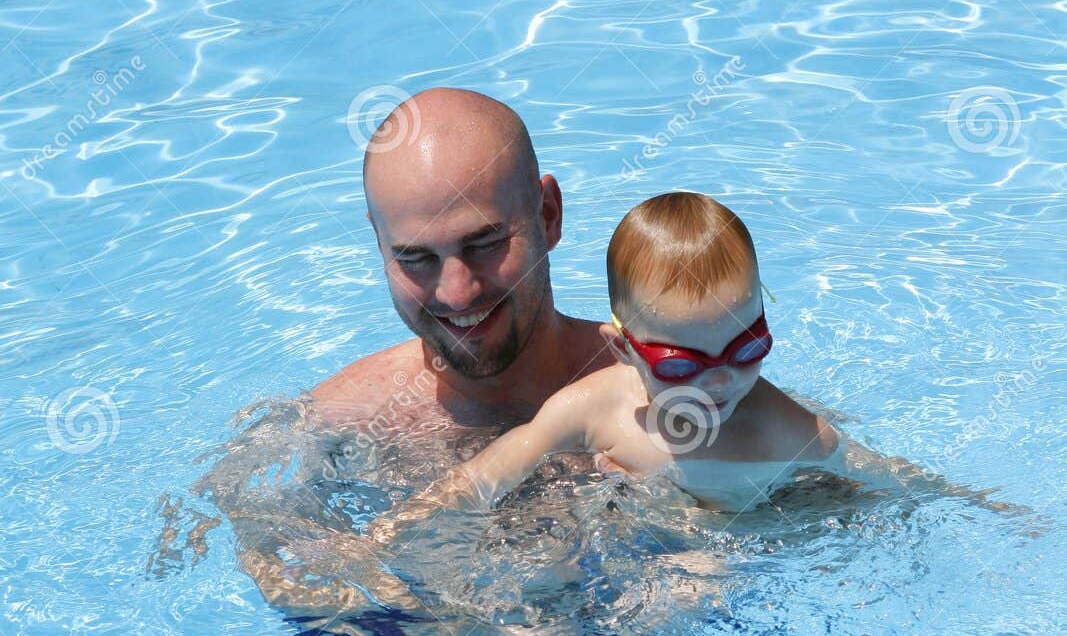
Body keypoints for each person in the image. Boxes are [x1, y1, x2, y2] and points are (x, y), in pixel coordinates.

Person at [368, 190, 1016, 547]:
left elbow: (896, 482)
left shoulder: (788, 433)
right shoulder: (593, 407)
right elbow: (487, 473)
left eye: (745, 349)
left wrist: (996, 513)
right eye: (681, 362)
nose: (719, 382)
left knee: (703, 577)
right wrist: (379, 541)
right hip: (629, 519)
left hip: (743, 534)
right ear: (624, 350)